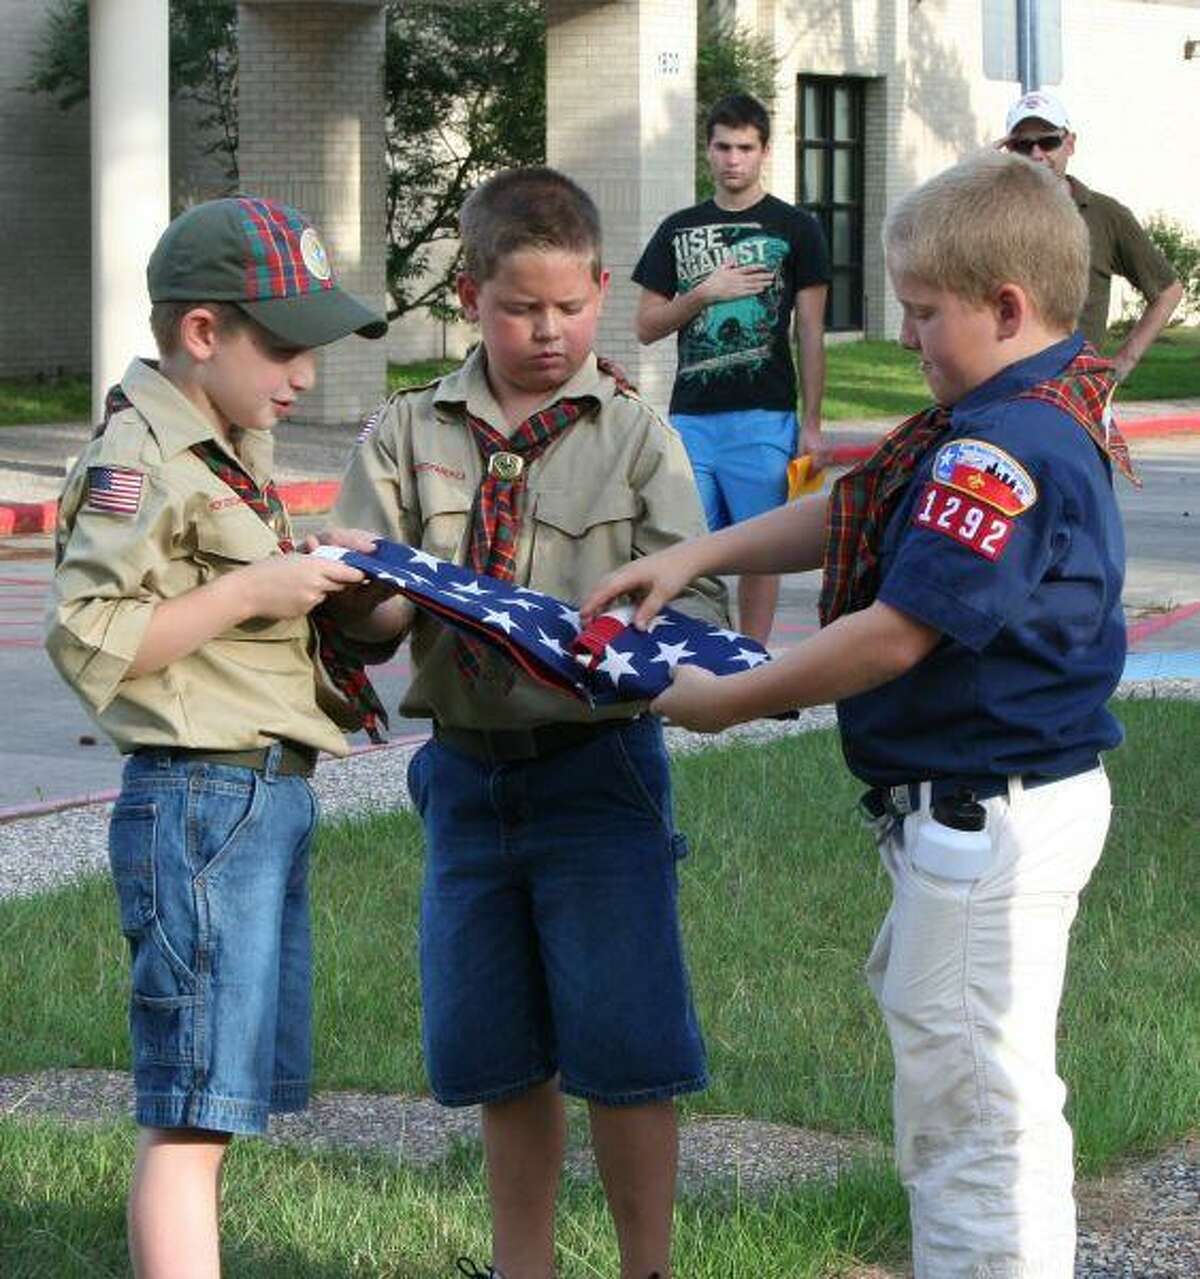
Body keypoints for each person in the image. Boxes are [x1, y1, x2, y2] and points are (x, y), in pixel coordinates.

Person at [584, 149, 1134, 1277]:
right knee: (984, 1097)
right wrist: (694, 552)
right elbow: (857, 510)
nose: (910, 338)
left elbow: (895, 631)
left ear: (1008, 306)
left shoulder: (1004, 446)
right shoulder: (1006, 407)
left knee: (971, 1118)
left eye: (925, 314)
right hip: (989, 811)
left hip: (991, 821)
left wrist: (732, 701)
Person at [321, 167, 727, 1279]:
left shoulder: (639, 438)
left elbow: (697, 605)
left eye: (568, 307)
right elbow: (373, 607)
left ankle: (648, 1265)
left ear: (602, 288)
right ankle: (523, 1267)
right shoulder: (409, 433)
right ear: (469, 294)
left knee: (628, 1042)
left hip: (599, 771)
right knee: (499, 1049)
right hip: (466, 778)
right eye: (518, 308)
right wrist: (368, 599)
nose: (547, 332)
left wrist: (609, 645)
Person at [45, 195, 387, 1279]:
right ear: (203, 333)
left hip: (256, 795)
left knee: (217, 1102)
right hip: (201, 799)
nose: (302, 374)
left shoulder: (227, 447)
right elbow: (93, 632)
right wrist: (254, 588)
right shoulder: (138, 459)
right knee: (190, 1111)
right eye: (283, 347)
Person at [633, 91, 830, 644]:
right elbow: (646, 326)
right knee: (685, 544)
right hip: (692, 417)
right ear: (708, 151)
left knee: (759, 549)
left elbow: (811, 333)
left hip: (766, 414)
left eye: (745, 147)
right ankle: (688, 654)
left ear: (764, 150)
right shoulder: (678, 228)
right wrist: (704, 292)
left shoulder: (797, 228)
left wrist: (810, 424)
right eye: (723, 147)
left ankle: (751, 660)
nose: (733, 159)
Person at [1001, 89, 1182, 380]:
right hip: (1006, 387)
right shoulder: (990, 217)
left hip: (1078, 393)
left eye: (1049, 141)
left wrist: (1124, 362)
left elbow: (1167, 291)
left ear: (1069, 144)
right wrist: (978, 168)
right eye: (1022, 146)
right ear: (1008, 153)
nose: (1036, 154)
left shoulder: (1105, 214)